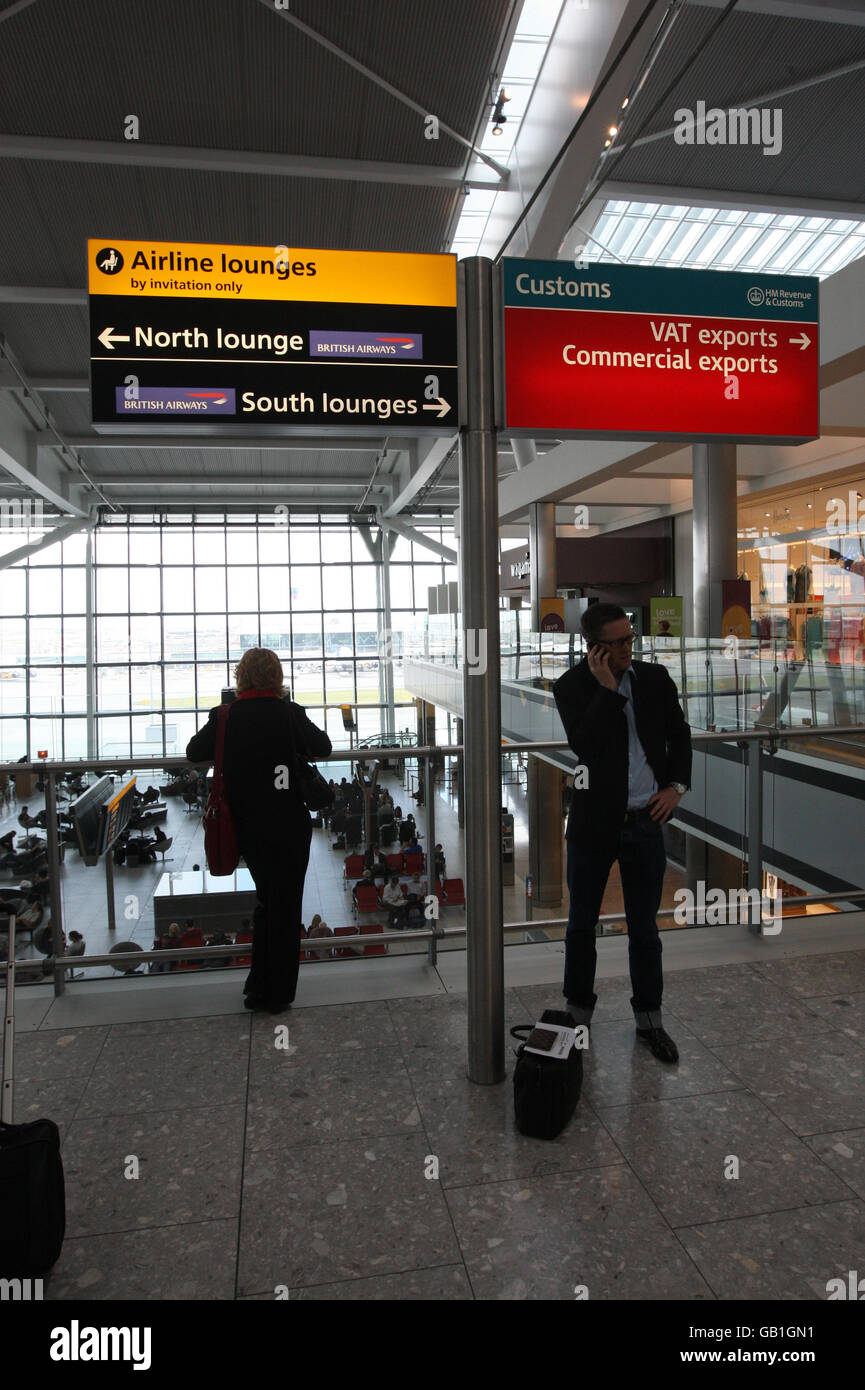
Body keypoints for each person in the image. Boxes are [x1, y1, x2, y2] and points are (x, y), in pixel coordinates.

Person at [553, 603, 691, 1064]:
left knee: (645, 929)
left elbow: (680, 735)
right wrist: (608, 690)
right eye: (618, 642)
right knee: (580, 926)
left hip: (645, 822)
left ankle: (650, 1019)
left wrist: (676, 788)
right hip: (594, 825)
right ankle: (577, 1017)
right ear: (595, 648)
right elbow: (586, 745)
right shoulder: (571, 686)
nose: (629, 648)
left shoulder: (655, 679)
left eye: (631, 639)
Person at [187, 646, 331, 1013]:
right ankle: (276, 992)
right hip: (288, 824)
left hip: (247, 827)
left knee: (267, 902)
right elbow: (323, 747)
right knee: (285, 906)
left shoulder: (225, 715)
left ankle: (258, 986)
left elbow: (193, 752)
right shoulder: (289, 713)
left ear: (240, 676)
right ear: (278, 677)